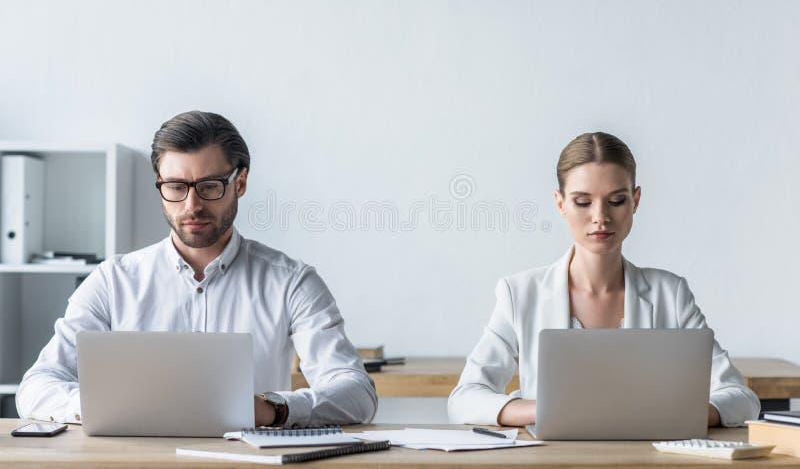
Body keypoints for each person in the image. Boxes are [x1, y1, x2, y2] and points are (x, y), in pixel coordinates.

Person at [16, 111, 377, 427]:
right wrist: (92, 405)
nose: (192, 205)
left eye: (209, 187)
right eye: (175, 187)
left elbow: (357, 392)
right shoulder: (113, 282)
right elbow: (36, 386)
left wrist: (273, 409)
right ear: (160, 187)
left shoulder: (291, 282)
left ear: (240, 183)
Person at [447, 132, 760, 427]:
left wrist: (672, 414)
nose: (600, 216)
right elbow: (464, 399)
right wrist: (547, 411)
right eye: (583, 202)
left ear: (635, 200)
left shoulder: (671, 294)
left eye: (616, 200)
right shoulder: (519, 293)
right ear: (560, 203)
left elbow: (742, 399)